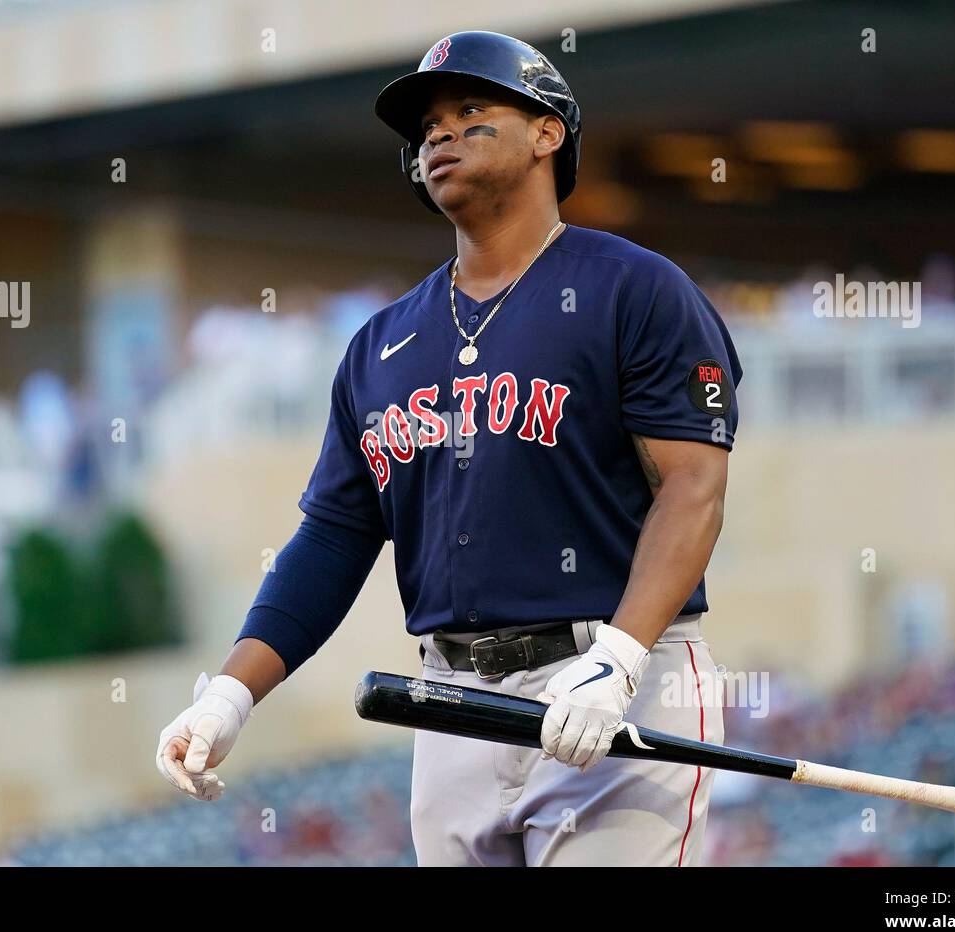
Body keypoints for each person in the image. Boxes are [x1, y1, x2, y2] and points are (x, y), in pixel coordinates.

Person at [157, 31, 742, 866]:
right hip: (449, 701)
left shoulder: (636, 288)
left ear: (549, 132)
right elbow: (333, 537)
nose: (439, 134)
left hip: (617, 677)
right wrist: (229, 694)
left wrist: (618, 657)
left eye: (471, 111)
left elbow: (694, 489)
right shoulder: (380, 344)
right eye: (427, 125)